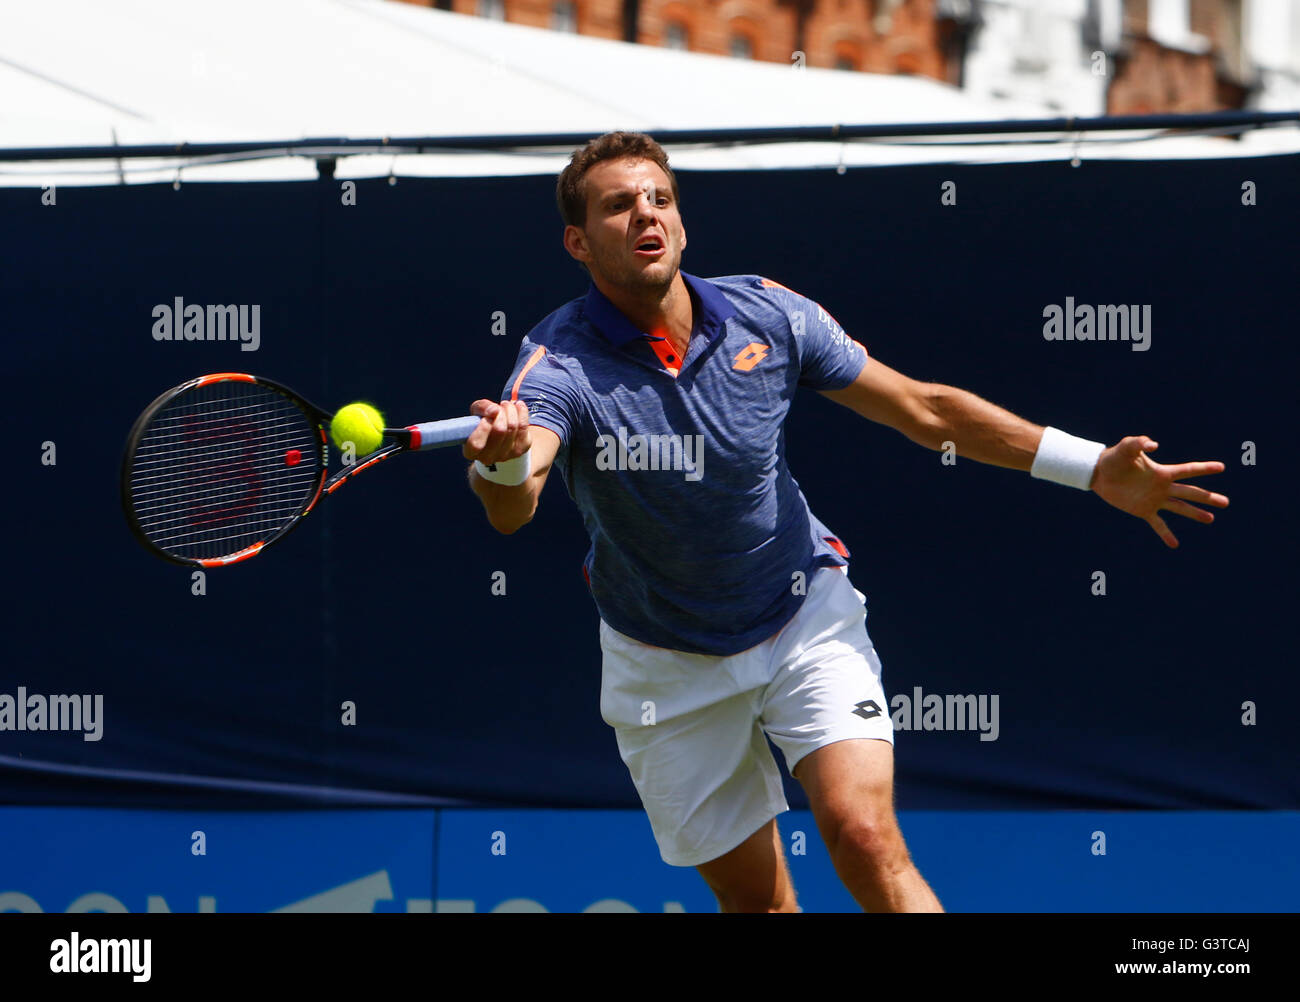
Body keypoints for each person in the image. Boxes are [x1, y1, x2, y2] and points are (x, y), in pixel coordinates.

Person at [462, 131, 1229, 913]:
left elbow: (926, 411)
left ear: (682, 224)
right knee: (760, 905)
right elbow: (515, 503)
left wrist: (1092, 466)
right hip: (664, 663)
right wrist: (500, 460)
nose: (646, 215)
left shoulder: (771, 314)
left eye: (660, 199)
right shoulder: (558, 365)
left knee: (863, 836)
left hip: (802, 616)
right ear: (578, 242)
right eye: (619, 206)